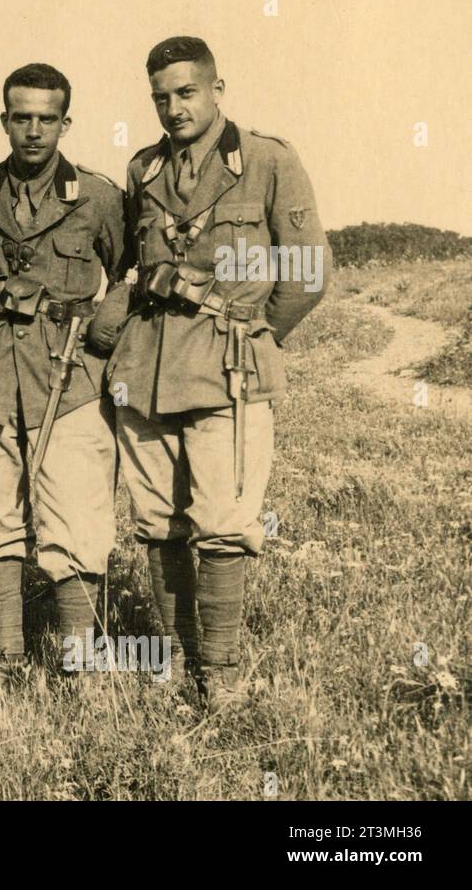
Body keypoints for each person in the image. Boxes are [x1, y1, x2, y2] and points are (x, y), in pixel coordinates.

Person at [92, 36, 330, 707]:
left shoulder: (266, 161)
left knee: (223, 523)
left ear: (218, 88)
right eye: (161, 98)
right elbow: (127, 268)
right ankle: (173, 660)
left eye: (186, 93)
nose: (174, 109)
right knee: (158, 522)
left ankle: (218, 673)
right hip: (147, 368)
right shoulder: (142, 170)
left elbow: (308, 272)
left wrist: (256, 336)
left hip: (227, 371)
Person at [0, 63, 127, 693]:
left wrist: (101, 329)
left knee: (77, 514)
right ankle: (7, 661)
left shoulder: (97, 196)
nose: (34, 130)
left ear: (66, 123)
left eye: (48, 118)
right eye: (22, 117)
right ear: (5, 120)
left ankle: (77, 658)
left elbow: (131, 276)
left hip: (68, 377)